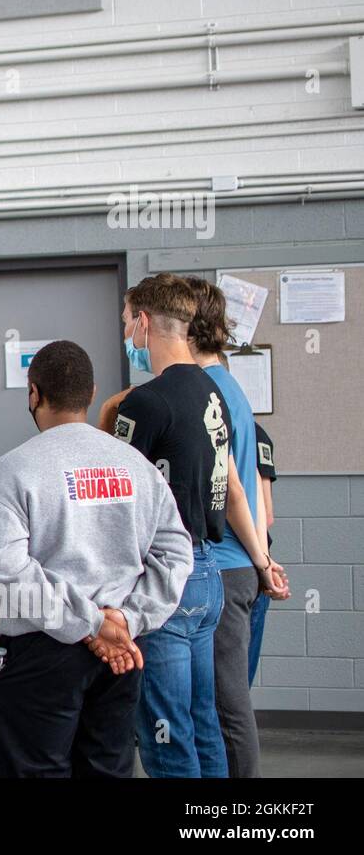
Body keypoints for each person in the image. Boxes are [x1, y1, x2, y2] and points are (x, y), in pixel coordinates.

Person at [0, 341, 193, 778]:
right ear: (92, 393)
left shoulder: (13, 469)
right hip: (120, 657)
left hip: (42, 653)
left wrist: (94, 627)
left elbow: (12, 574)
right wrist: (125, 622)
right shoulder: (137, 466)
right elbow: (175, 552)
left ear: (33, 393)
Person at [98, 273, 233, 778]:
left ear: (144, 322)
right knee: (201, 726)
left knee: (165, 736)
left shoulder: (147, 401)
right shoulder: (211, 389)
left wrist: (109, 416)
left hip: (163, 581)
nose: (128, 334)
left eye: (128, 322)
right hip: (206, 572)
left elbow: (113, 495)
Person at [184, 278, 289, 777]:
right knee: (217, 706)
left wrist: (262, 561)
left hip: (226, 568)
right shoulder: (228, 387)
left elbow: (235, 492)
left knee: (228, 709)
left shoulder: (210, 391)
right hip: (235, 565)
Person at [249, 423, 289, 684]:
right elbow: (267, 514)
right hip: (249, 569)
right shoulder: (253, 431)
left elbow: (264, 515)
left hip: (235, 566)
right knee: (235, 687)